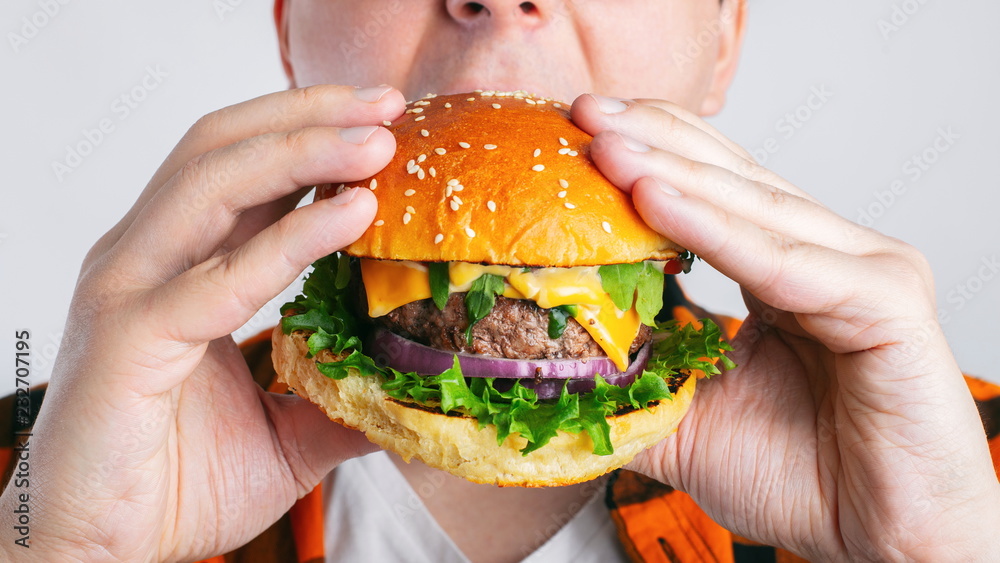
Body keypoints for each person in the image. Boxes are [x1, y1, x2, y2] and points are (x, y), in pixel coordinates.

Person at [1, 0, 998, 561]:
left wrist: (932, 552)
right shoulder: (34, 476)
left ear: (724, 35)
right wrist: (67, 545)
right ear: (287, 28)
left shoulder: (970, 473)